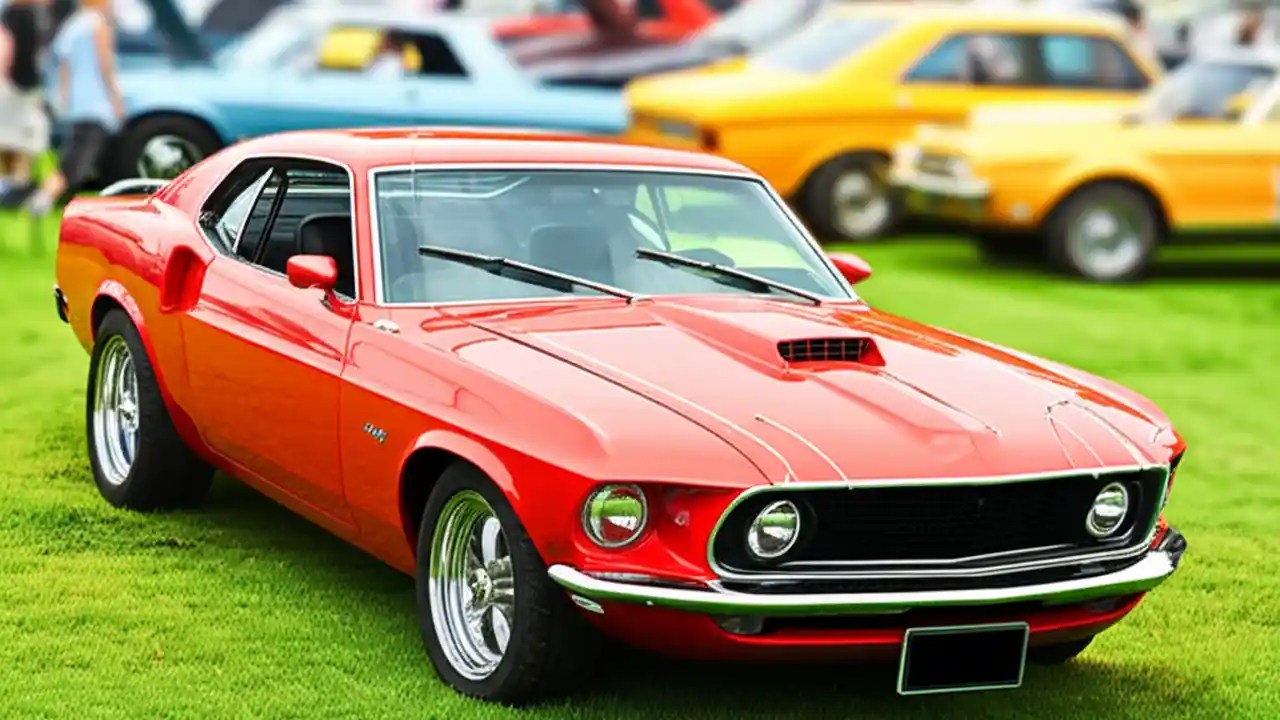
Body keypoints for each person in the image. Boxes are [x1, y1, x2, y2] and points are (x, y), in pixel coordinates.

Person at [25, 0, 124, 216]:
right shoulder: (97, 24)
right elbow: (105, 65)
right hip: (95, 104)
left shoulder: (72, 26)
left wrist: (63, 100)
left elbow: (63, 67)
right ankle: (42, 200)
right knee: (76, 162)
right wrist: (116, 99)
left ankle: (53, 199)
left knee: (79, 157)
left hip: (77, 105)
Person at [0, 0, 52, 200]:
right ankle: (15, 183)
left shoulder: (22, 13)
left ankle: (15, 182)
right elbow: (6, 46)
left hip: (23, 82)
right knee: (16, 135)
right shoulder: (19, 14)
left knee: (15, 134)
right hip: (16, 83)